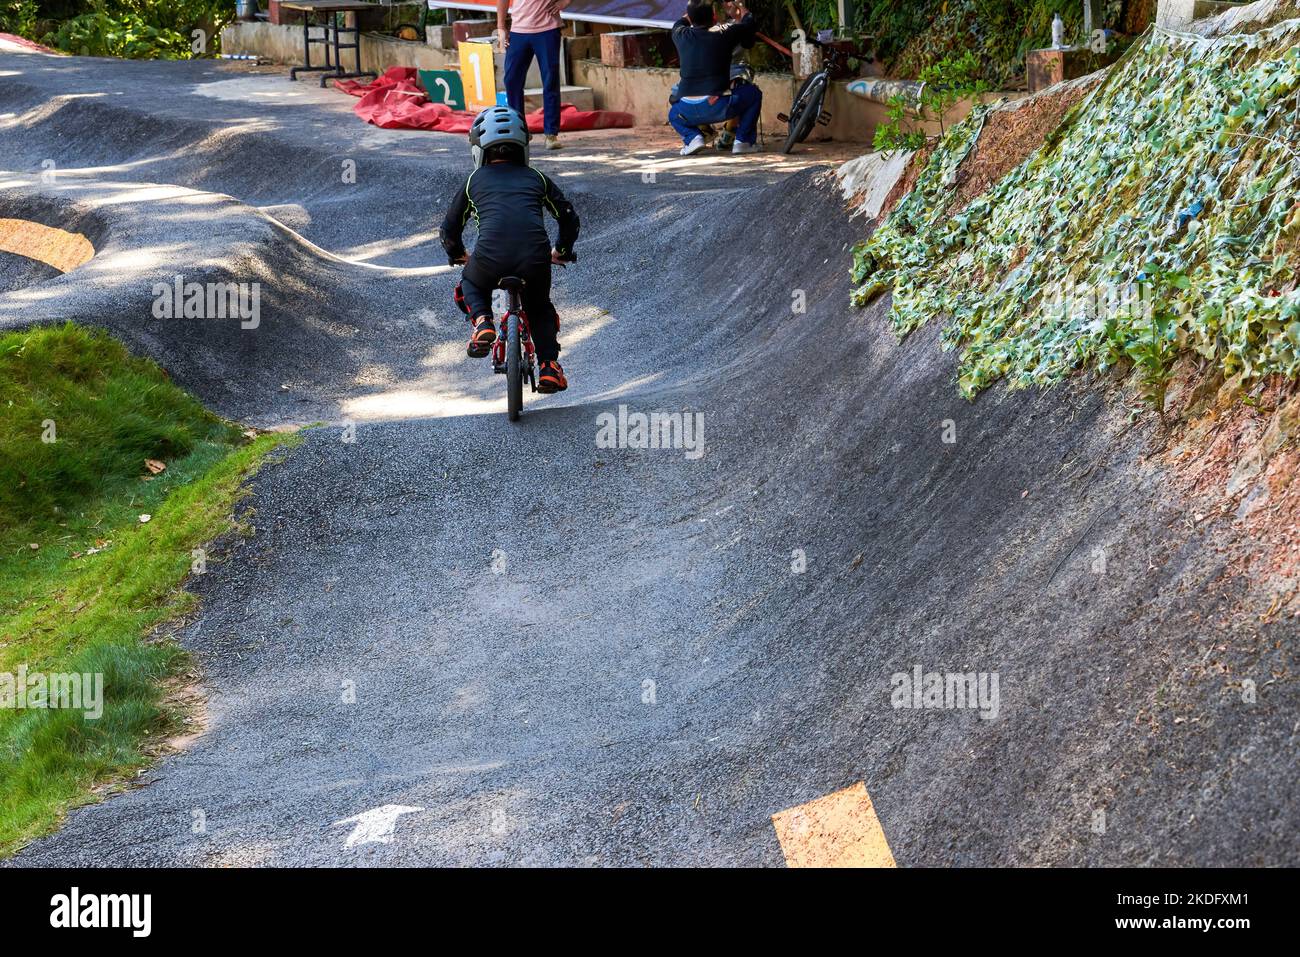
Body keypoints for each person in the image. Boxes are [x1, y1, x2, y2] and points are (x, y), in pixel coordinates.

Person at [441, 106, 579, 393]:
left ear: (479, 148)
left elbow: (449, 228)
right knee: (539, 307)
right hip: (534, 259)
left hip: (490, 259)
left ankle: (482, 322)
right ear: (523, 146)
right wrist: (562, 250)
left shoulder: (473, 182)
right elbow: (567, 216)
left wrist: (456, 254)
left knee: (469, 282)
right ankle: (549, 367)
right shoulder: (537, 178)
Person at [668, 0, 761, 156]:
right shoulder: (724, 32)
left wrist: (694, 10)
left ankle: (693, 138)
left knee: (672, 114)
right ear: (714, 16)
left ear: (690, 18)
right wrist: (740, 8)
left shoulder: (679, 33)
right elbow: (749, 25)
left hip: (686, 110)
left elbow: (683, 20)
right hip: (717, 105)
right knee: (753, 94)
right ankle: (743, 141)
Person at [497, 0, 570, 150]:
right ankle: (519, 130)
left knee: (550, 80)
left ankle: (551, 134)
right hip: (518, 31)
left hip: (547, 29)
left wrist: (565, 2)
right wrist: (501, 27)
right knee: (511, 80)